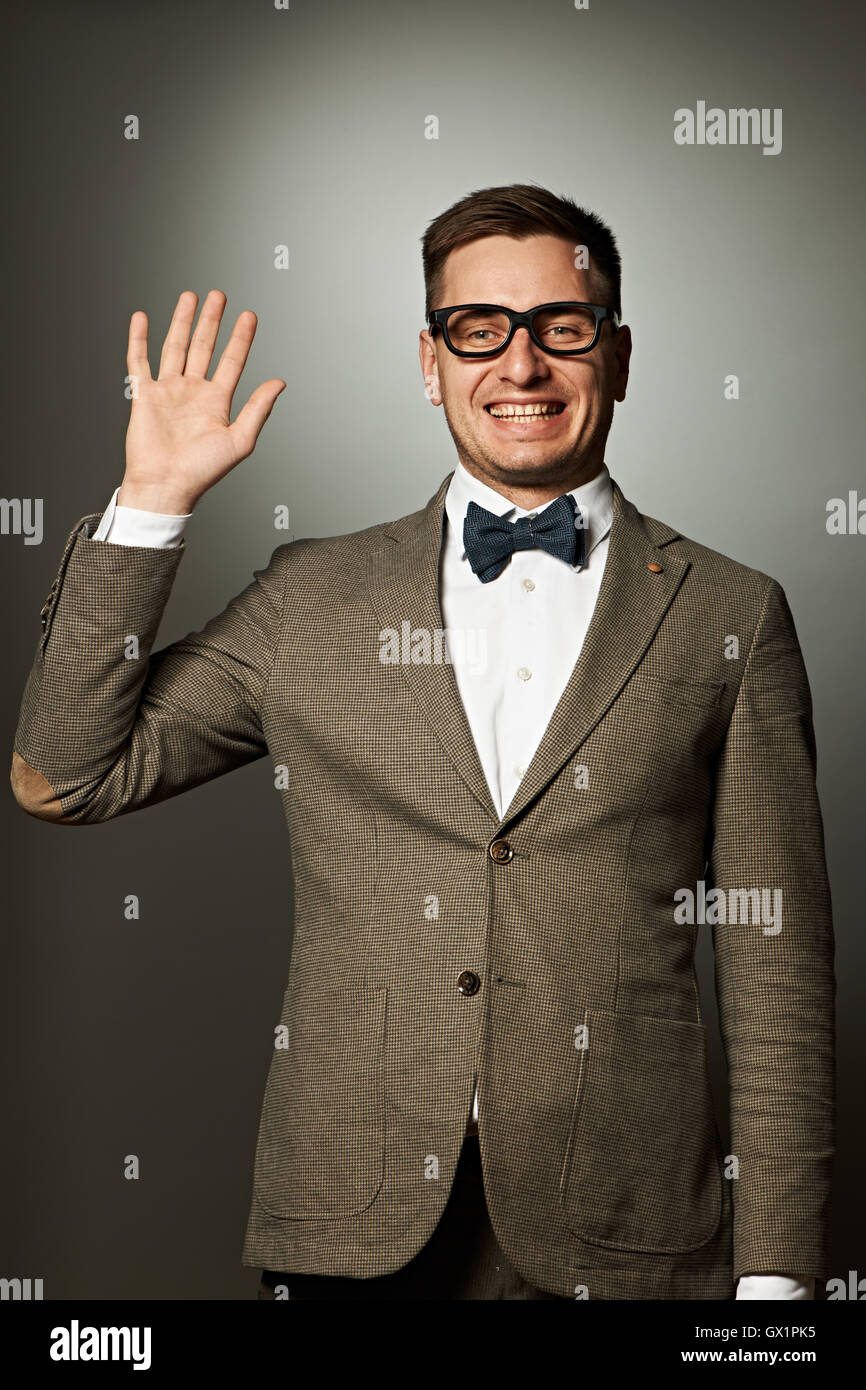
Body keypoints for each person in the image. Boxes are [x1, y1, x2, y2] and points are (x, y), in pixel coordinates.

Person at [11, 183, 834, 1300]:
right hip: (346, 1229)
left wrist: (777, 1283)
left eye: (563, 327)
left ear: (619, 354)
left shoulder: (729, 613)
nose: (521, 364)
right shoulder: (311, 597)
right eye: (478, 329)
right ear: (430, 359)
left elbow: (775, 969)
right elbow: (67, 774)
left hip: (630, 1243)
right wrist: (153, 501)